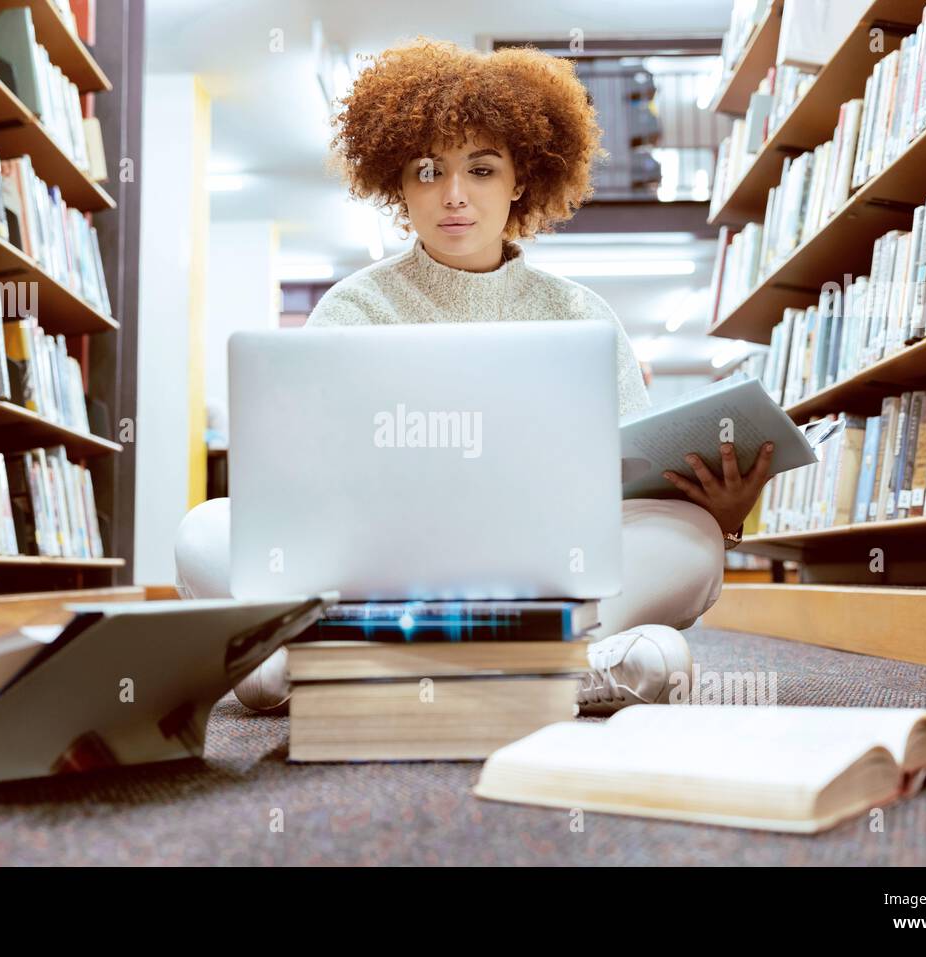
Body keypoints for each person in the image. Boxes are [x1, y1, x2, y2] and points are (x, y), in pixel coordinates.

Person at [175, 37, 772, 716]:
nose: (454, 195)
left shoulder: (582, 315)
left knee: (690, 546)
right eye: (427, 170)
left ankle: (334, 666)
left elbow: (631, 488)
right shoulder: (351, 309)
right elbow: (293, 489)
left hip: (544, 580)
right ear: (398, 183)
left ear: (521, 179)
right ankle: (561, 669)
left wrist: (717, 518)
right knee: (202, 531)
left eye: (481, 169)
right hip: (377, 580)